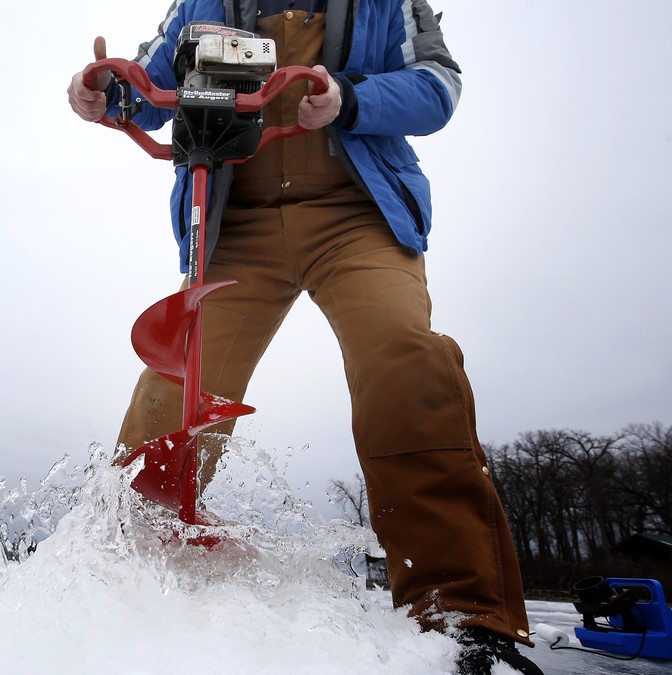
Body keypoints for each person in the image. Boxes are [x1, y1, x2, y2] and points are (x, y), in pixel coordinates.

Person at [67, 2, 542, 674]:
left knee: (405, 363)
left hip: (356, 216)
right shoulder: (200, 5)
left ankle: (463, 619)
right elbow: (147, 88)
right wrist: (105, 93)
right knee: (176, 385)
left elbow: (439, 87)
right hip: (239, 225)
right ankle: (112, 590)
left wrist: (348, 98)